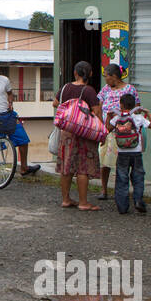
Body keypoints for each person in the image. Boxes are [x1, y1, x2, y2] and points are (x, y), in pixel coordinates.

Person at [53, 62, 102, 210]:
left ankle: (66, 199)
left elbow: (55, 103)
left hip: (67, 132)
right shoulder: (89, 91)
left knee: (66, 166)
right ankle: (83, 202)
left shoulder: (65, 88)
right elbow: (96, 112)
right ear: (91, 74)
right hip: (84, 133)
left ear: (75, 73)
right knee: (83, 167)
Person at [97, 63, 140, 201]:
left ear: (114, 76)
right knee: (105, 161)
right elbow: (99, 106)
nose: (105, 80)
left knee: (124, 162)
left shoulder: (130, 89)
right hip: (107, 130)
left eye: (107, 76)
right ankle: (104, 189)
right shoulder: (105, 89)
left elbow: (137, 107)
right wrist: (100, 124)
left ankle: (124, 190)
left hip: (125, 131)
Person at [108, 93, 150, 215]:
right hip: (136, 152)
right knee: (138, 177)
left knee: (122, 178)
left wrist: (109, 117)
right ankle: (138, 201)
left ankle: (122, 207)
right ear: (134, 105)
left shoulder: (117, 118)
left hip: (122, 153)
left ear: (121, 105)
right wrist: (148, 114)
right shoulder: (138, 118)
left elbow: (108, 128)